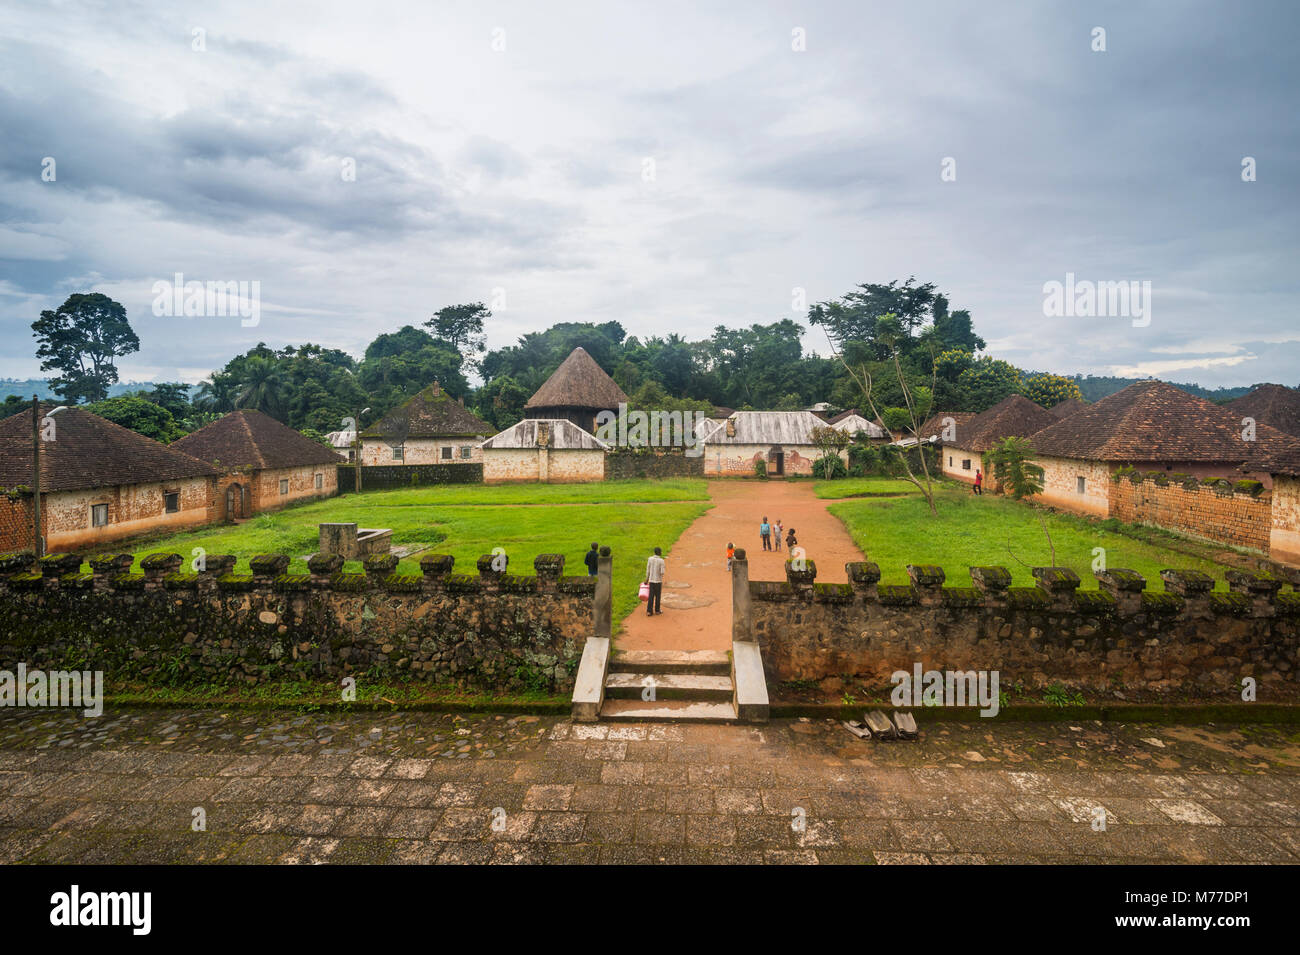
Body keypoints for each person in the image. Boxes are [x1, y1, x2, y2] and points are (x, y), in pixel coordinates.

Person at [645, 546, 665, 616]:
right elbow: (662, 572)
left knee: (651, 596)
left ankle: (649, 611)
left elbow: (648, 570)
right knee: (658, 596)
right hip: (658, 581)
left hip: (651, 580)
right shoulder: (661, 561)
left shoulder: (650, 559)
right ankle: (657, 610)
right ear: (659, 553)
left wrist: (646, 579)